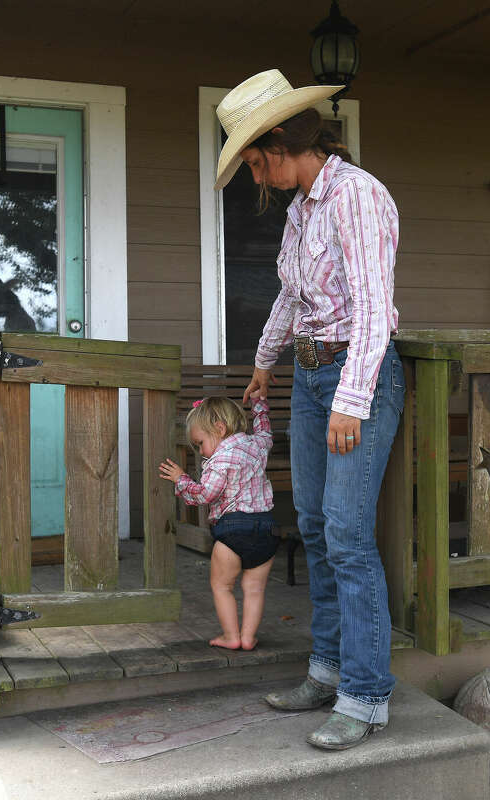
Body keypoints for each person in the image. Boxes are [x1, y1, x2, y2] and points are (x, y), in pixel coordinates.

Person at [214, 68, 405, 751]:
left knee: (351, 539)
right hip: (310, 375)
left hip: (360, 376)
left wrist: (352, 400)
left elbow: (375, 311)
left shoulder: (357, 196)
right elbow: (292, 300)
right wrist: (265, 363)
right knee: (319, 530)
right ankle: (326, 671)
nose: (255, 177)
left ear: (276, 142)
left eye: (255, 161)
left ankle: (366, 695)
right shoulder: (301, 210)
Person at [159, 395, 277, 651]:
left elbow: (205, 495)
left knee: (222, 585)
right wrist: (259, 404)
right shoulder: (258, 445)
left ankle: (231, 636)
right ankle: (248, 637)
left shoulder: (220, 459)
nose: (200, 451)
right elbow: (265, 431)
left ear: (220, 429)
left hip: (233, 530)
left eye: (200, 443)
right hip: (266, 529)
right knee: (254, 588)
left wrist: (181, 479)